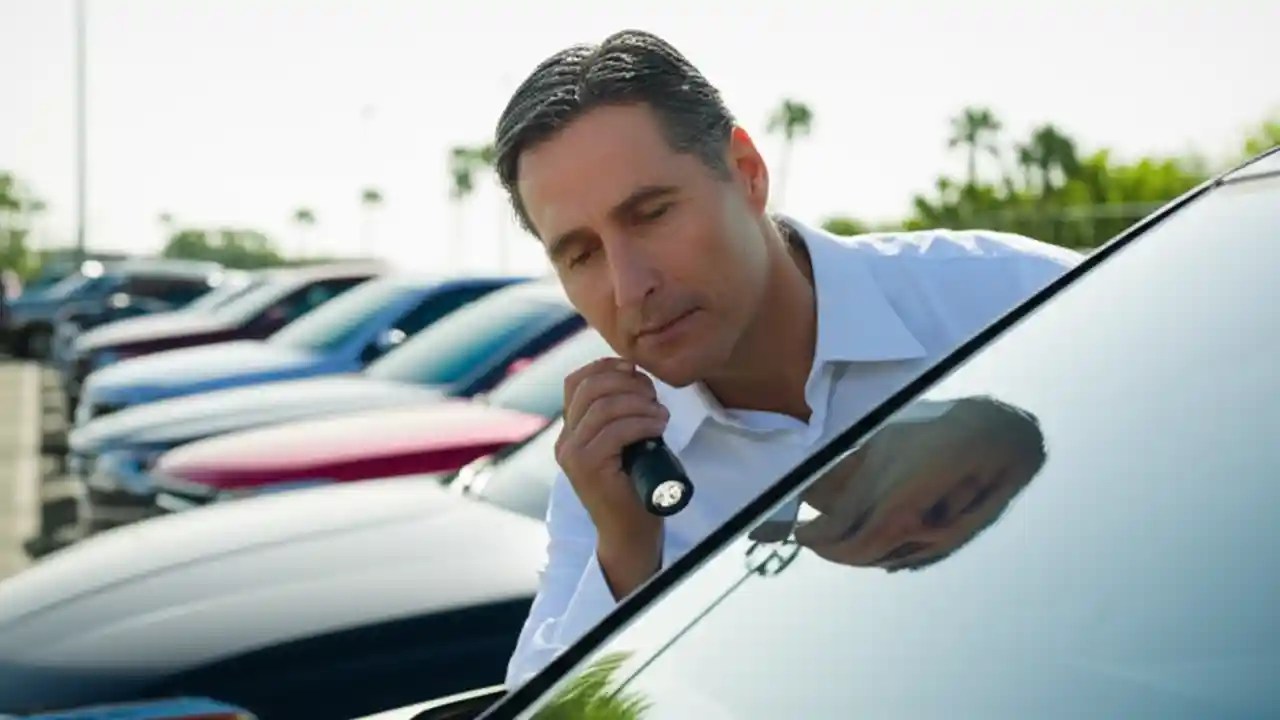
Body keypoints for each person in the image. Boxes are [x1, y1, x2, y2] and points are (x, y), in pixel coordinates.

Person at [493, 29, 1083, 686]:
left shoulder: (1018, 298)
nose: (631, 288)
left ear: (747, 172)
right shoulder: (612, 477)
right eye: (581, 254)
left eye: (652, 214)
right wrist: (628, 557)